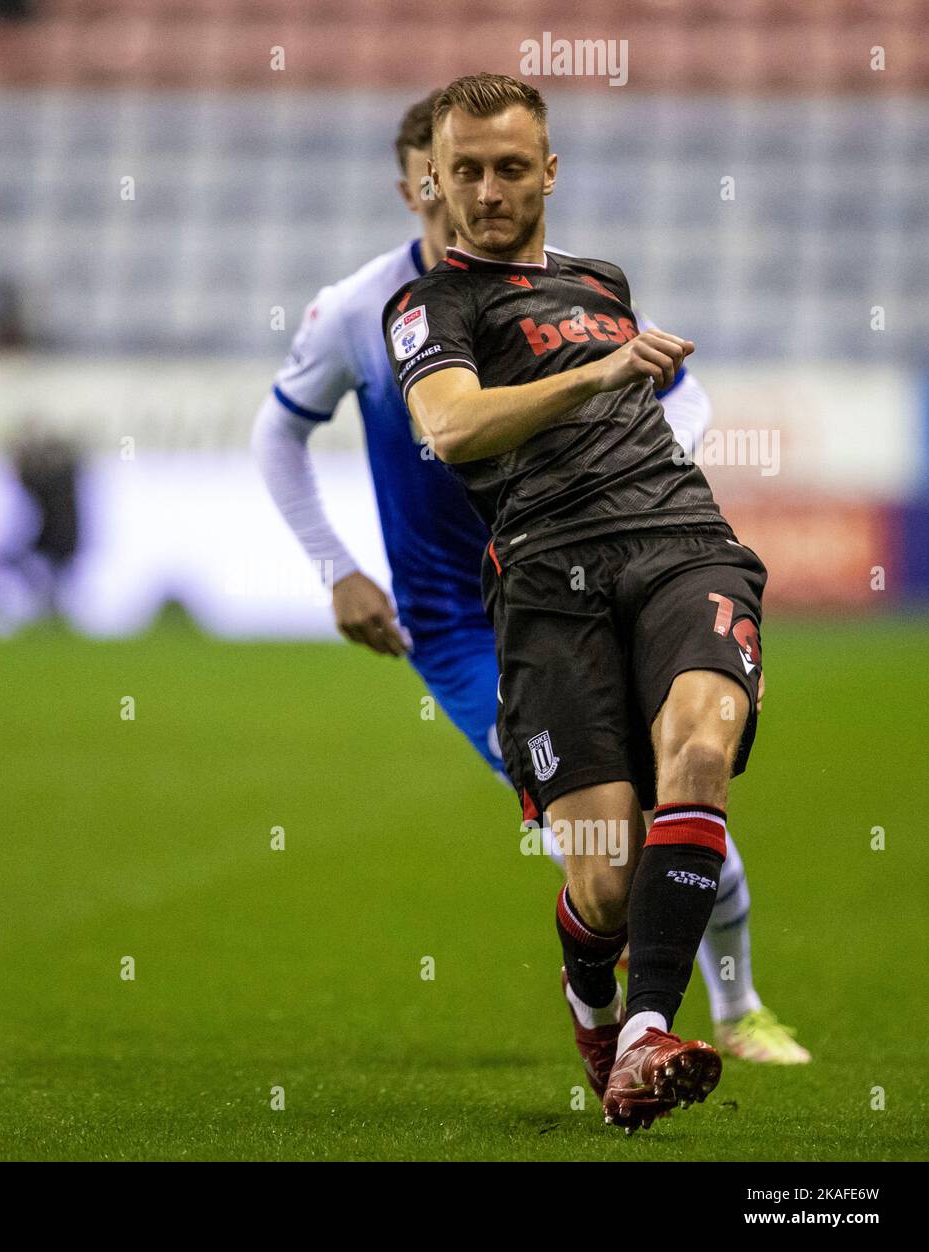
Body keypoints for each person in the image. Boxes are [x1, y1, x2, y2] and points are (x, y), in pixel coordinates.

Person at [254, 92, 808, 1085]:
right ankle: (606, 1004)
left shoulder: (589, 285)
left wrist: (642, 498)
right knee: (606, 856)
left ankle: (717, 1009)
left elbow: (679, 397)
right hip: (477, 615)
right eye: (456, 173)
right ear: (421, 183)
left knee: (693, 756)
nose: (476, 193)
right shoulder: (380, 311)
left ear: (544, 170)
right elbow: (373, 429)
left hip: (645, 558)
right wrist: (335, 566)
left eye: (505, 168)